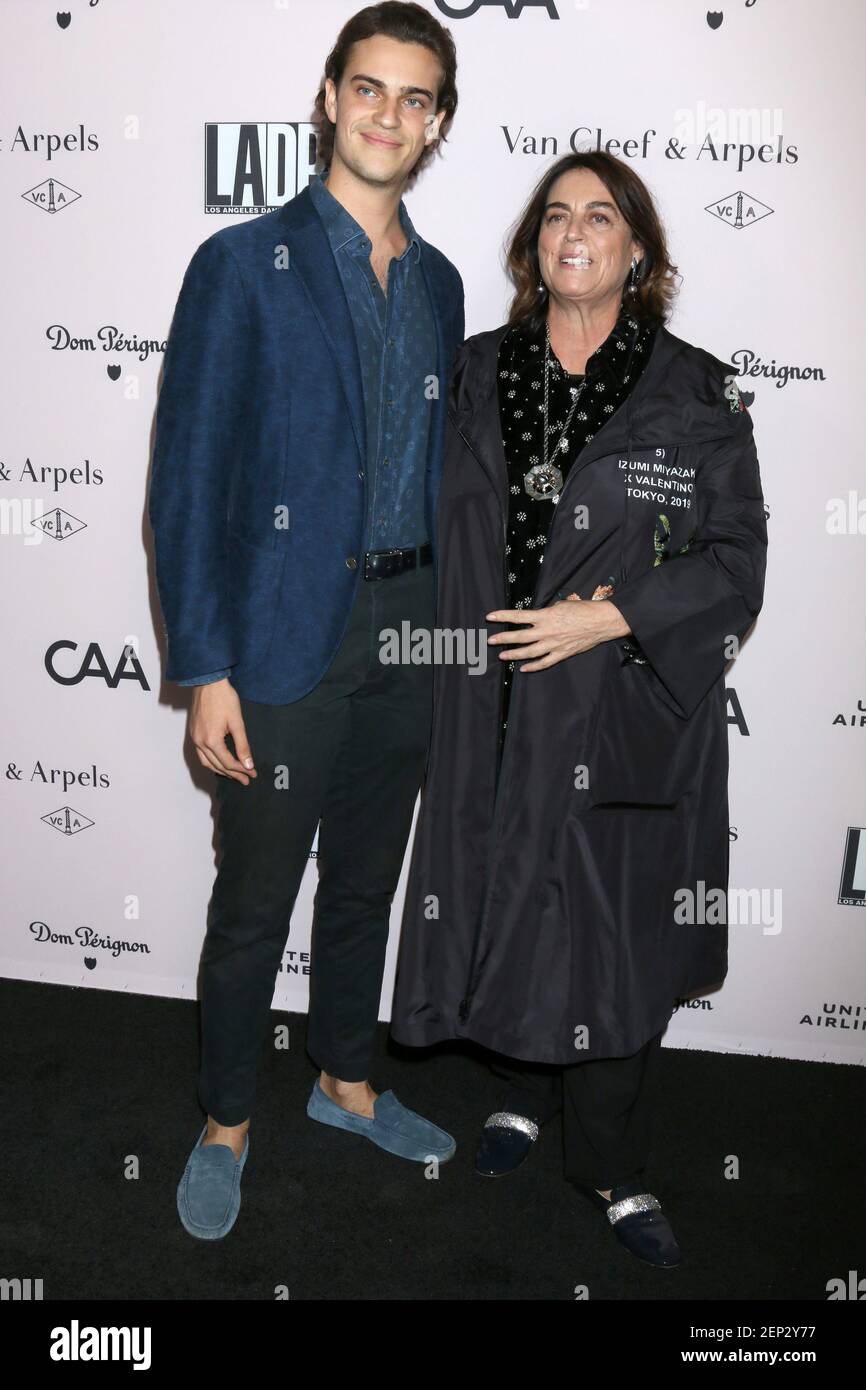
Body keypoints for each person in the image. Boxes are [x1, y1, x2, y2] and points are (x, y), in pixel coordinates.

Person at [390, 150, 768, 1268]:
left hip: (617, 708)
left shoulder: (697, 391)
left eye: (598, 217)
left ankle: (609, 1163)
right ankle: (514, 1094)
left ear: (635, 249)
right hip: (486, 699)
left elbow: (734, 560)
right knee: (500, 891)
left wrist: (605, 618)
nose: (573, 232)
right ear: (532, 245)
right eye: (554, 215)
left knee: (604, 931)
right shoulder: (471, 372)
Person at [148, 2, 465, 1241]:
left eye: (416, 96)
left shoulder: (439, 284)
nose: (389, 114)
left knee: (365, 885)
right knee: (253, 902)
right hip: (280, 635)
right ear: (327, 98)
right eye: (369, 89)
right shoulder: (240, 266)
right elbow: (188, 479)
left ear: (437, 122)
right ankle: (226, 1117)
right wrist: (207, 667)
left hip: (409, 623)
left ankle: (344, 1079)